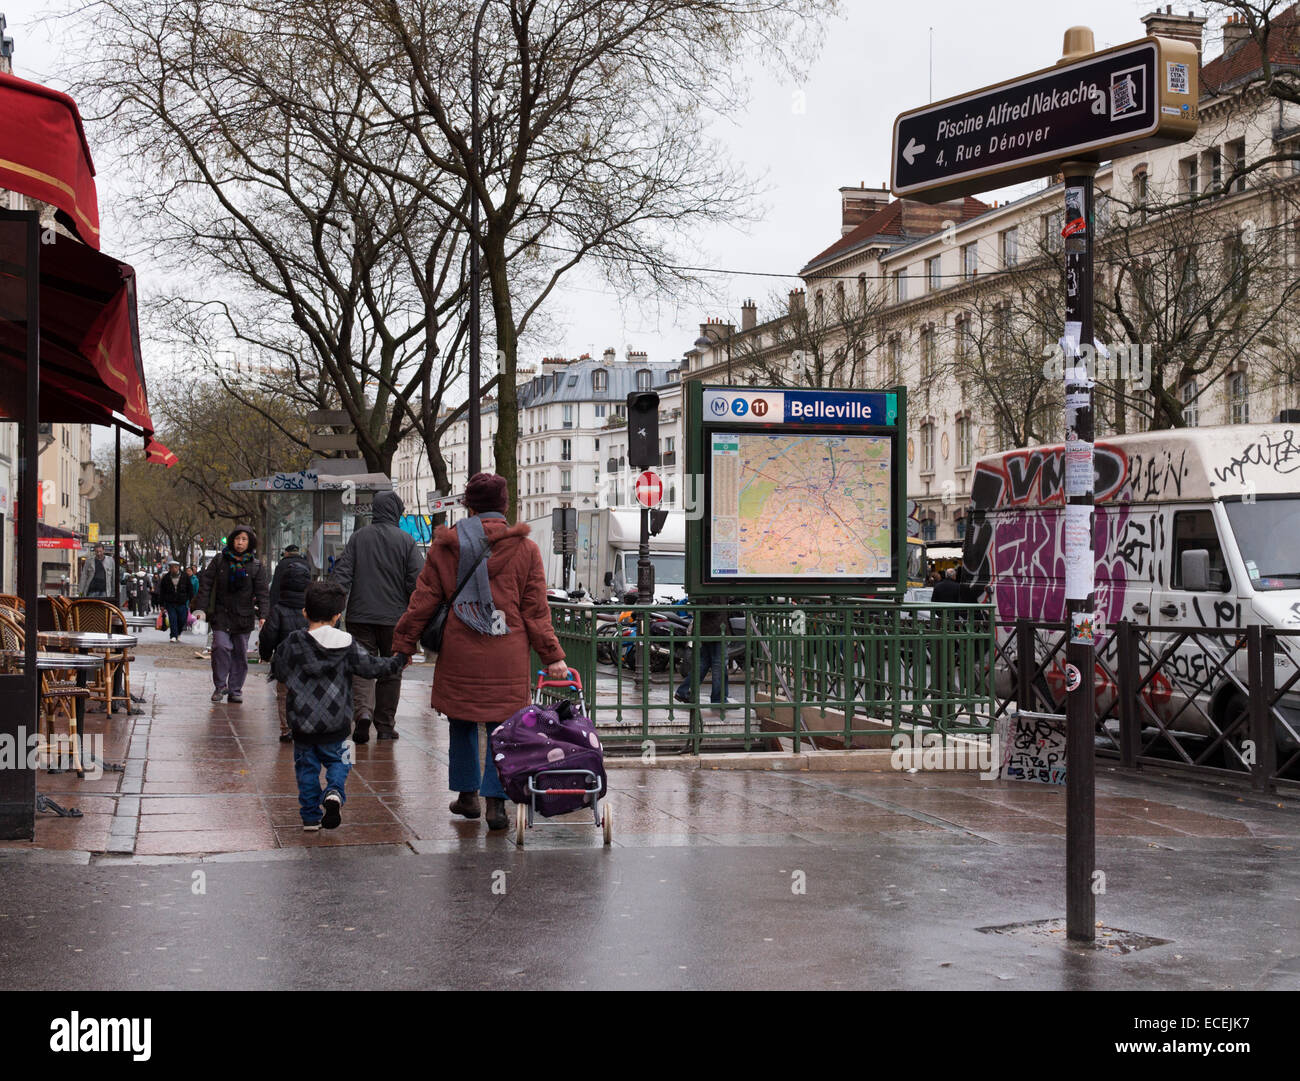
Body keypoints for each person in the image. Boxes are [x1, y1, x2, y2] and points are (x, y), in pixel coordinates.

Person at [393, 472, 568, 832]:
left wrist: (404, 644)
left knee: (462, 722)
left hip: (461, 649)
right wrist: (552, 656)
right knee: (503, 729)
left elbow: (423, 601)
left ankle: (468, 794)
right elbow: (536, 611)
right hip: (508, 650)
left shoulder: (447, 546)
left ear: (468, 504)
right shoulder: (525, 549)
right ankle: (496, 803)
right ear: (504, 505)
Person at [272, 580, 407, 831]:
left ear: (305, 612)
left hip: (302, 725)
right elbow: (371, 668)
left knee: (306, 771)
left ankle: (310, 817)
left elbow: (279, 670)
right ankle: (334, 792)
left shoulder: (293, 642)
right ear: (337, 616)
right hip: (338, 725)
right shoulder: (347, 643)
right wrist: (398, 660)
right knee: (344, 759)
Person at [330, 490, 423, 743]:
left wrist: (334, 609)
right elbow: (417, 583)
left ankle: (362, 713)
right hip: (395, 619)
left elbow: (343, 575)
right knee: (392, 670)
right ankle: (384, 725)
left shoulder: (359, 538)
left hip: (360, 616)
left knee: (362, 666)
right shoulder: (406, 541)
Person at [191, 526, 270, 704]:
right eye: (237, 539)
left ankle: (235, 689)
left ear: (249, 542)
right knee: (220, 647)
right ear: (232, 540)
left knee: (240, 653)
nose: (240, 543)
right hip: (221, 614)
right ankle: (220, 686)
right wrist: (201, 609)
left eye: (244, 539)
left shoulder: (256, 565)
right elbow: (206, 585)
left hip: (244, 616)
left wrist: (264, 614)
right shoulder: (220, 560)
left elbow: (263, 593)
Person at [259, 554, 311, 742]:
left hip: (284, 663)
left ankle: (286, 728)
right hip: (309, 661)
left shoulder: (279, 609)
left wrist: (265, 654)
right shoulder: (312, 609)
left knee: (284, 696)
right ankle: (304, 725)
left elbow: (268, 634)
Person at [675, 596, 737, 709]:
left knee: (703, 664)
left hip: (708, 628)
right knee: (719, 664)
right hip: (716, 629)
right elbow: (708, 606)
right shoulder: (713, 584)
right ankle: (719, 699)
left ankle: (684, 691)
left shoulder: (709, 584)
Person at [159, 559, 195, 642]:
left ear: (178, 567)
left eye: (175, 567)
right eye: (171, 567)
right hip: (170, 602)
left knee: (182, 619)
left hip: (182, 602)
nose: (173, 569)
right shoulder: (166, 578)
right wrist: (161, 604)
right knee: (173, 619)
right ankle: (173, 636)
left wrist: (191, 601)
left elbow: (190, 589)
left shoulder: (185, 576)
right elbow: (162, 592)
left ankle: (178, 633)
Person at [269, 544, 310, 609]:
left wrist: (272, 605)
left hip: (285, 602)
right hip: (302, 603)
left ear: (287, 553)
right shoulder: (306, 564)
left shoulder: (282, 564)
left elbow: (276, 586)